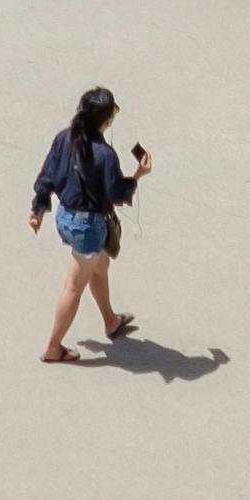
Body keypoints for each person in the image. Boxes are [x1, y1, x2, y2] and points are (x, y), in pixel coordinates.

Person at [32, 86, 150, 358]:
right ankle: (53, 347)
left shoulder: (65, 137)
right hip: (87, 229)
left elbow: (48, 174)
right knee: (73, 288)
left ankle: (111, 320)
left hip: (65, 218)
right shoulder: (105, 155)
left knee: (100, 266)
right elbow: (117, 194)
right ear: (106, 120)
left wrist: (38, 208)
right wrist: (138, 175)